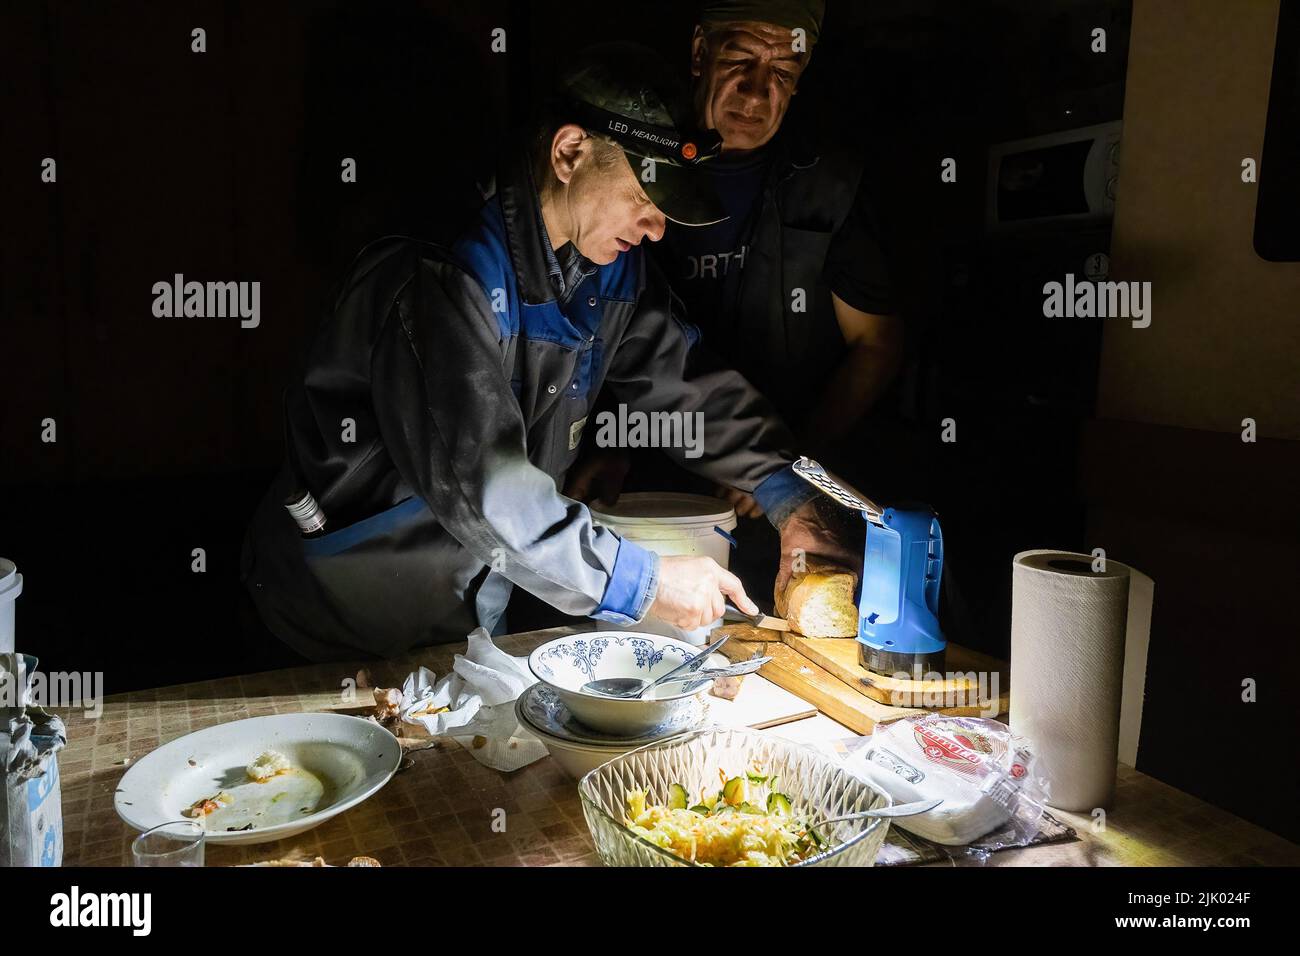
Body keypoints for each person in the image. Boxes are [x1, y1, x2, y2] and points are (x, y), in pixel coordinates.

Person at [241, 44, 854, 662]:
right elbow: (488, 488)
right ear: (569, 153)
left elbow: (684, 383)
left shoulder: (607, 264)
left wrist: (789, 495)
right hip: (341, 617)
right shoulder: (441, 272)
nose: (657, 228)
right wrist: (647, 582)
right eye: (645, 198)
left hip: (468, 613)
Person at [566, 0, 899, 599]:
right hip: (653, 481)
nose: (756, 92)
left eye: (783, 74)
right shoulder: (628, 161)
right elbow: (621, 344)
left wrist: (793, 472)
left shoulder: (829, 184)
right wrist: (610, 440)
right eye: (741, 60)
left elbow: (876, 344)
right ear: (700, 52)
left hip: (770, 478)